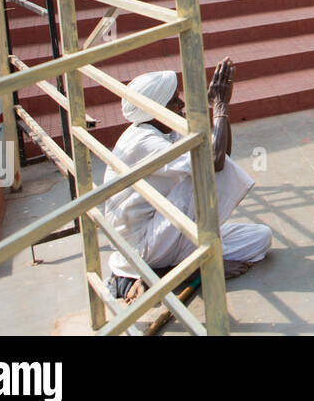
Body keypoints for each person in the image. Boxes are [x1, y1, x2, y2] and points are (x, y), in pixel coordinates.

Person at [102, 59, 272, 302]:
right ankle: (187, 269)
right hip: (143, 245)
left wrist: (215, 107)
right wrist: (221, 106)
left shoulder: (164, 129)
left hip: (164, 234)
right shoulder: (142, 140)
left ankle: (174, 269)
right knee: (199, 175)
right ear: (156, 109)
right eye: (174, 101)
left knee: (260, 238)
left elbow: (223, 154)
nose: (181, 104)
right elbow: (215, 161)